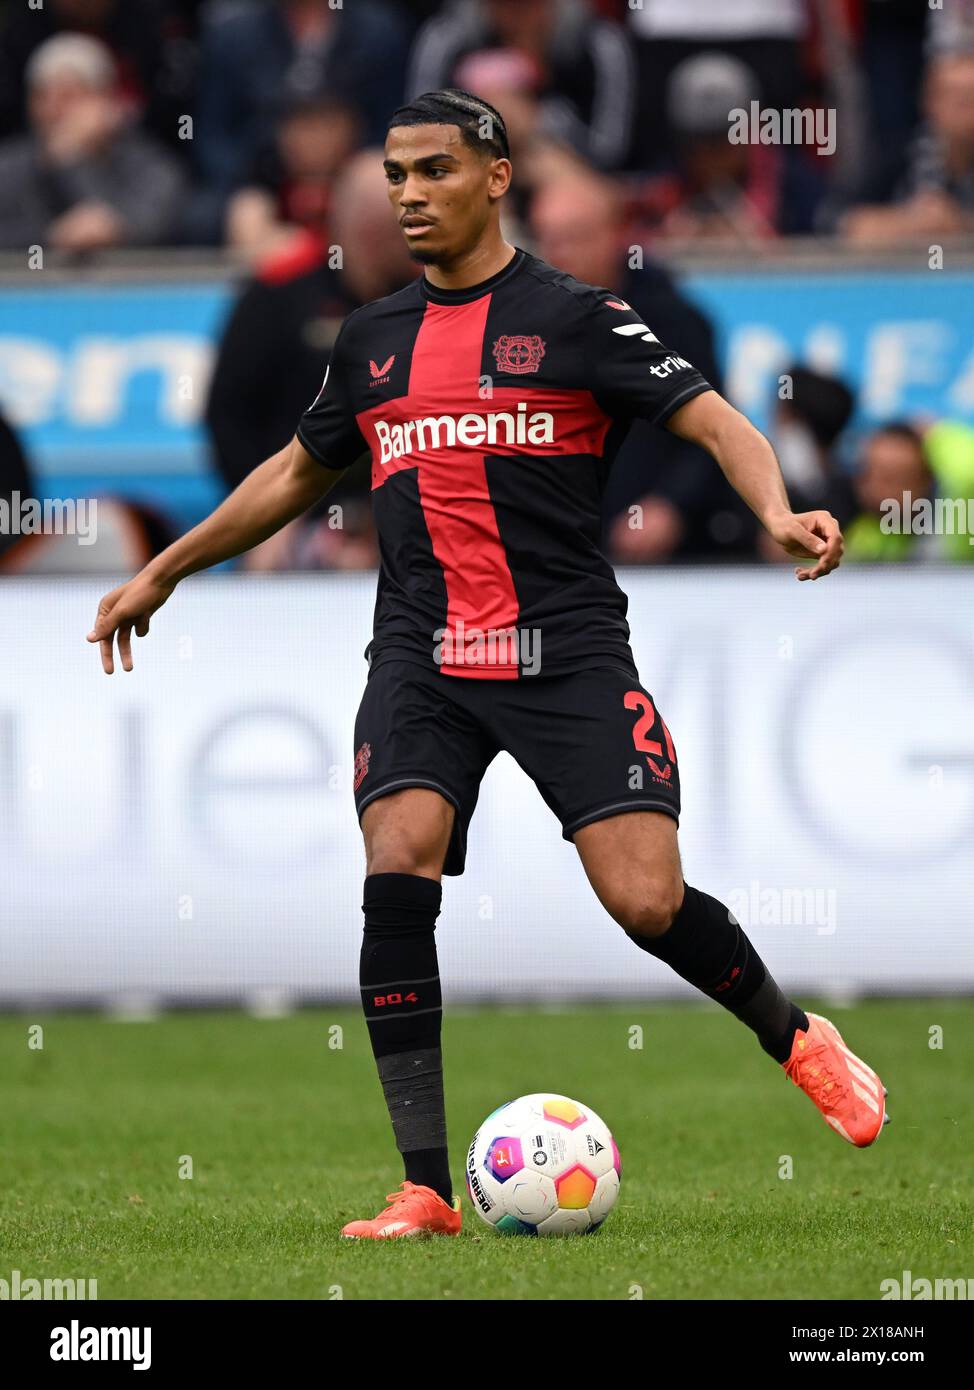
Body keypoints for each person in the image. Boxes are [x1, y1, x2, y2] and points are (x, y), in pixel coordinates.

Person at [87, 88, 889, 1240]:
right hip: (422, 649)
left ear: (496, 175)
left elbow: (718, 422)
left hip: (561, 648)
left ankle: (794, 1036)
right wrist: (168, 568)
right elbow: (293, 473)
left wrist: (775, 508)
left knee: (643, 897)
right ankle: (422, 1186)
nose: (409, 195)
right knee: (395, 854)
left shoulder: (575, 318)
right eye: (395, 175)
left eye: (433, 172)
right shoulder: (372, 339)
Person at [0, 32, 184, 252]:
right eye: (42, 97)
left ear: (107, 100)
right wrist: (48, 237)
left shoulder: (154, 168)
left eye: (68, 96)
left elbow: (151, 228)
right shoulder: (8, 166)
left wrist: (71, 160)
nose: (53, 110)